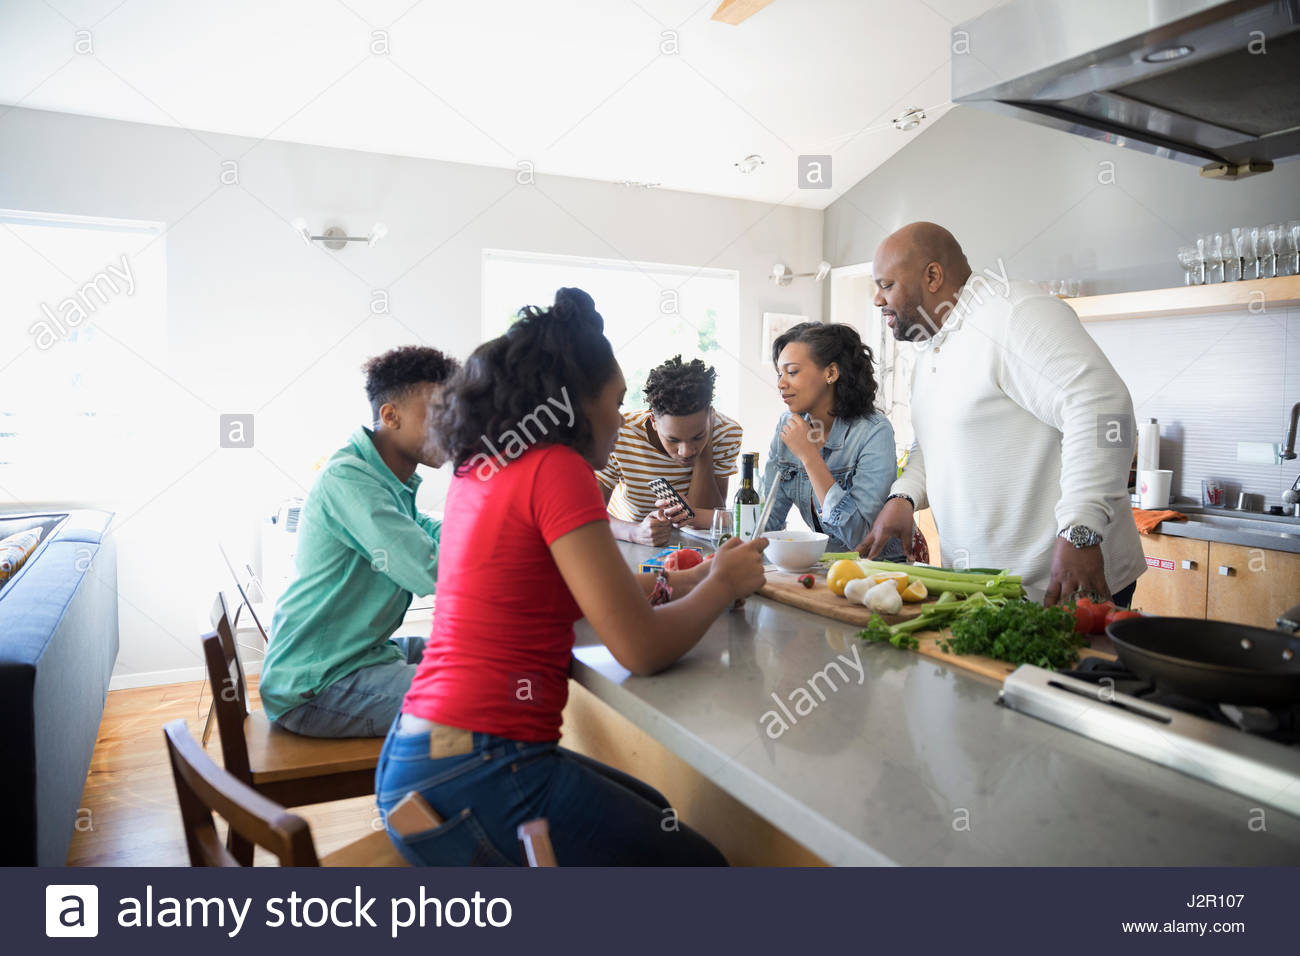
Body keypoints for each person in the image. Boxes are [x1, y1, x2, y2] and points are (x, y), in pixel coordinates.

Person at [377, 288, 768, 866]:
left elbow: (582, 594)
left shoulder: (480, 465)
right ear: (573, 405)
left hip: (423, 753)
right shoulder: (558, 470)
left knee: (654, 805)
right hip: (478, 767)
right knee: (700, 865)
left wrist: (695, 575)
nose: (618, 416)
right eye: (615, 400)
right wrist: (722, 585)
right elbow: (641, 648)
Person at [857, 222, 1146, 606]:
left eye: (886, 284)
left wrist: (1082, 530)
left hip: (1062, 586)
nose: (877, 299)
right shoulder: (929, 352)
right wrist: (904, 497)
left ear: (932, 276)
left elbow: (1101, 405)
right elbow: (933, 443)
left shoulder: (1012, 313)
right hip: (984, 593)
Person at [259, 346, 457, 737]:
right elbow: (429, 568)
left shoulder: (382, 476)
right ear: (390, 416)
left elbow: (428, 532)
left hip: (361, 655)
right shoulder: (349, 479)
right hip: (317, 685)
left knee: (478, 658)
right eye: (438, 414)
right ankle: (421, 795)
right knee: (482, 691)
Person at [760, 322, 905, 559]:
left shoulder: (873, 432)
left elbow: (862, 538)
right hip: (824, 569)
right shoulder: (788, 425)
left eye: (792, 372)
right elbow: (765, 522)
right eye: (779, 374)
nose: (781, 384)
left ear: (830, 373)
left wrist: (809, 456)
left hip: (879, 572)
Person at [597, 355, 742, 545]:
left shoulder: (727, 433)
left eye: (697, 436)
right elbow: (589, 514)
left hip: (693, 546)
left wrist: (706, 447)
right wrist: (634, 533)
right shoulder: (621, 433)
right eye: (673, 439)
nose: (686, 451)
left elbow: (706, 514)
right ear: (653, 422)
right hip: (629, 542)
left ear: (710, 416)